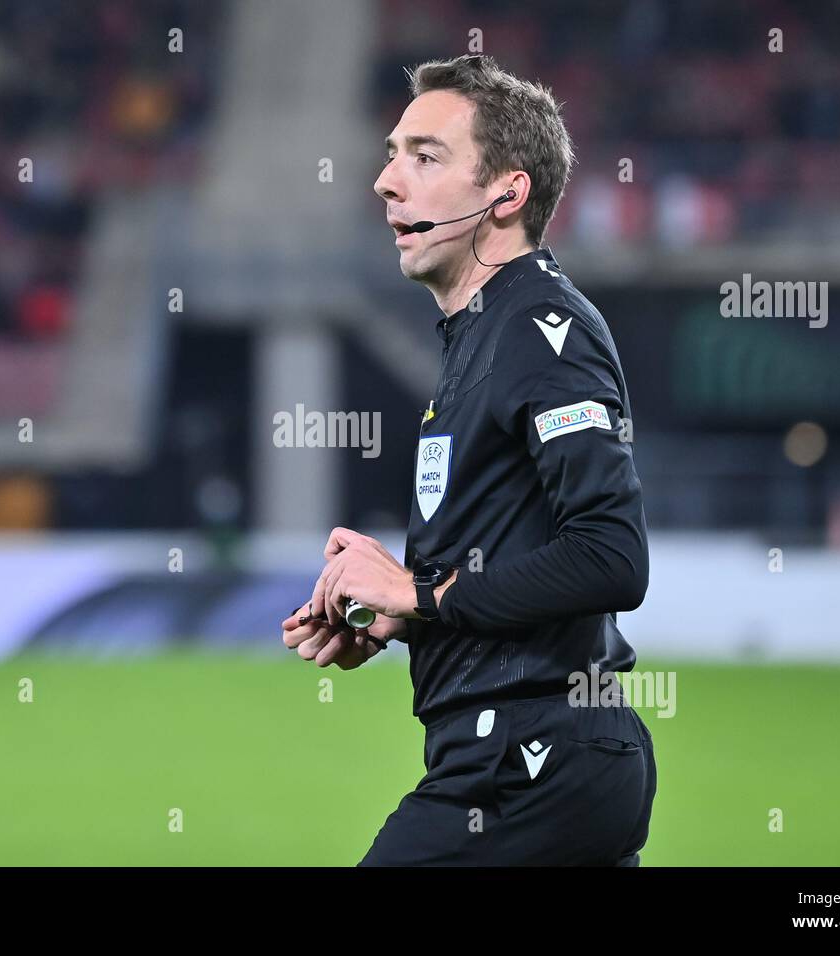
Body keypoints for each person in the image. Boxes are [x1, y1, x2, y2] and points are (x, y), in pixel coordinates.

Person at [280, 54, 656, 865]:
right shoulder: (479, 337)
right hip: (526, 756)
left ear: (506, 195)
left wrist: (419, 588)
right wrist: (409, 615)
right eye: (391, 153)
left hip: (529, 761)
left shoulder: (542, 327)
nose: (387, 181)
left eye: (424, 156)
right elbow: (518, 564)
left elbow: (612, 557)